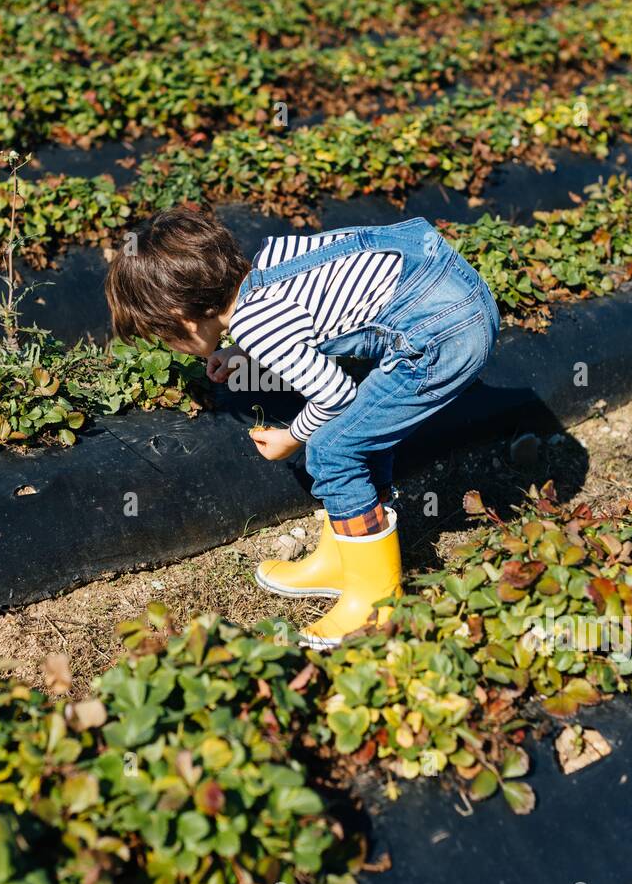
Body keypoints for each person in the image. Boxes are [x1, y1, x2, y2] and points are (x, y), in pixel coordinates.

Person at [106, 208, 500, 648]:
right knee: (361, 430)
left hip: (443, 333)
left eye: (163, 336)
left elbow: (336, 396)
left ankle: (376, 602)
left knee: (332, 449)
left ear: (182, 316)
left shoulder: (258, 328)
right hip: (450, 293)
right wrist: (244, 355)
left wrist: (292, 438)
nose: (167, 345)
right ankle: (340, 561)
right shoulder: (268, 264)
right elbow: (302, 320)